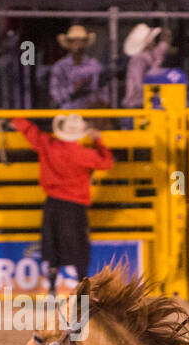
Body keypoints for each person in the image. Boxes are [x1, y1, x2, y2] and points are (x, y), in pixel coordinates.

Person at [10, 113, 114, 292]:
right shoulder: (84, 154)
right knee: (78, 245)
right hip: (75, 206)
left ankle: (51, 285)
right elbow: (107, 163)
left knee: (51, 243)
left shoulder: (49, 145)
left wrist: (15, 120)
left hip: (53, 203)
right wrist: (99, 142)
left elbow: (32, 133)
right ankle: (83, 286)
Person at [50, 25, 104, 110]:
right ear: (68, 43)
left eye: (80, 40)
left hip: (91, 113)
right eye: (72, 40)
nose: (76, 43)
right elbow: (56, 96)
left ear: (85, 42)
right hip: (68, 113)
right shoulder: (60, 67)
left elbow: (102, 92)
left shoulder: (95, 65)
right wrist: (73, 88)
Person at [122, 23, 169, 109]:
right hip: (136, 105)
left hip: (143, 103)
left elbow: (159, 53)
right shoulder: (138, 59)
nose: (154, 41)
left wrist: (164, 41)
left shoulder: (147, 56)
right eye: (152, 39)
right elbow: (139, 82)